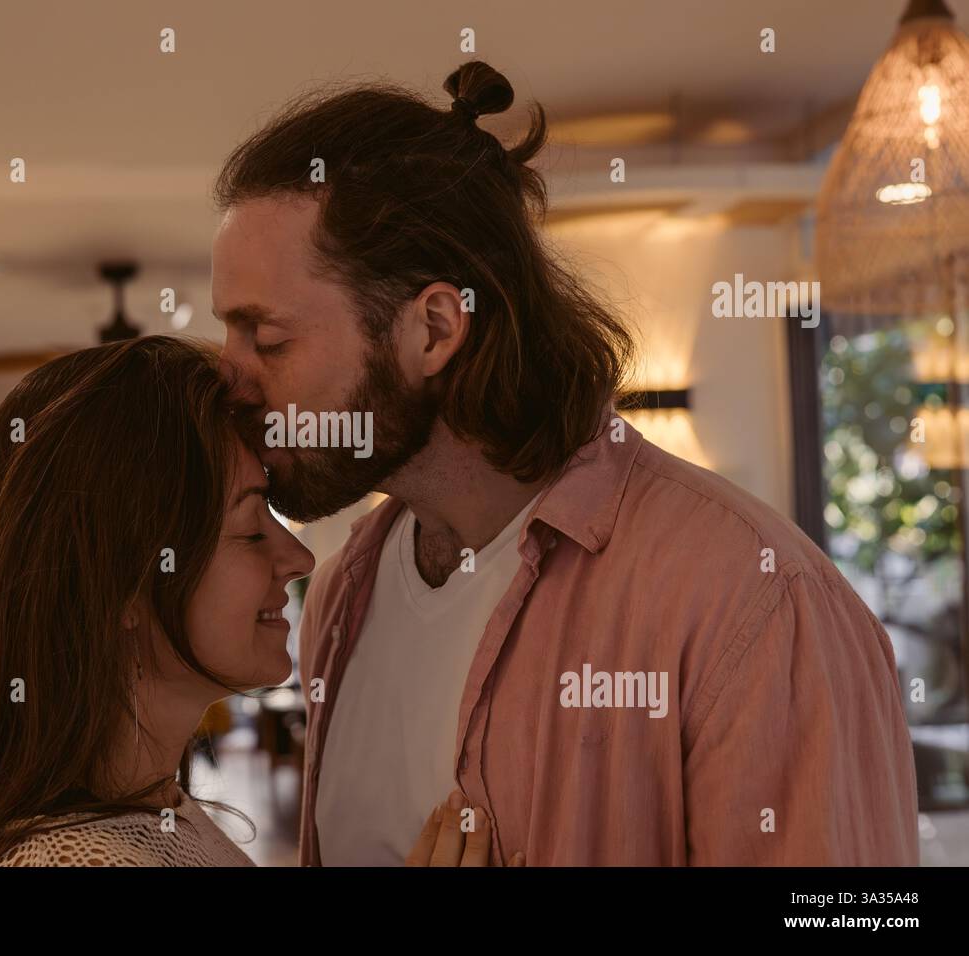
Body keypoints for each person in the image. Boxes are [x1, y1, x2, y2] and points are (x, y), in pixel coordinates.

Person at [211, 60, 920, 865]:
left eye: (266, 339)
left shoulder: (751, 604)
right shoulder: (343, 593)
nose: (230, 378)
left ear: (434, 330)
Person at [0, 336, 506, 866]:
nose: (298, 561)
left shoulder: (152, 813)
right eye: (251, 530)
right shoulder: (84, 858)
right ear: (125, 586)